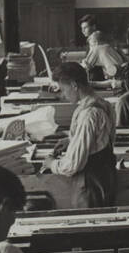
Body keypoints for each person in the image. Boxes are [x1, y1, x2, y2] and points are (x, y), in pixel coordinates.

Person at [43, 61, 117, 208]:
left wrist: (52, 164)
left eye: (63, 90)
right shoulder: (104, 104)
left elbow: (72, 165)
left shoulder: (89, 114)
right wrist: (72, 140)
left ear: (74, 85)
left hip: (90, 186)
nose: (63, 95)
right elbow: (99, 140)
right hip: (105, 178)